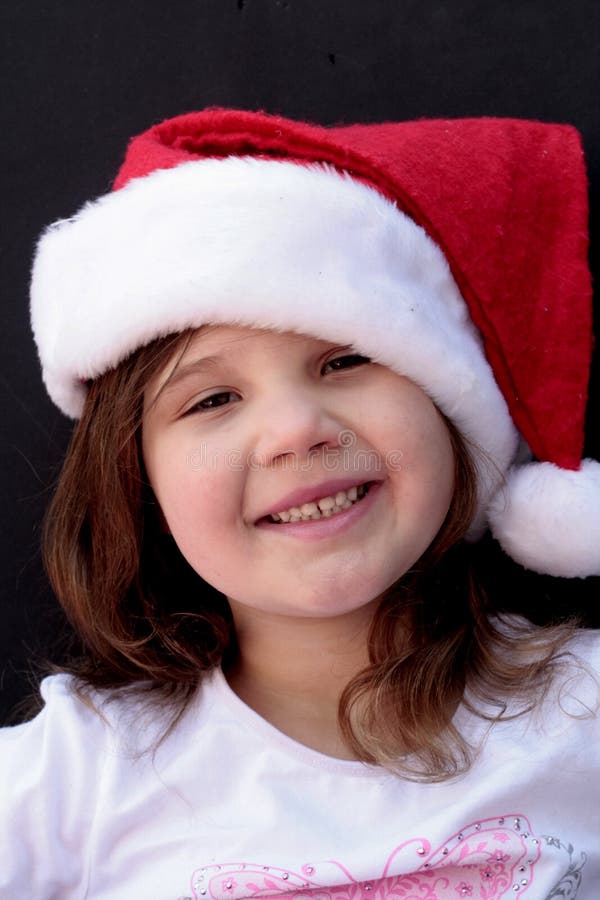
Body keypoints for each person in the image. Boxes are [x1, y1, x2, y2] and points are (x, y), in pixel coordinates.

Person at [1, 109, 599, 898]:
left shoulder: (585, 713)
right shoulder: (68, 784)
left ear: (451, 407)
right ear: (135, 481)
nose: (294, 432)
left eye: (346, 359)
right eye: (212, 400)